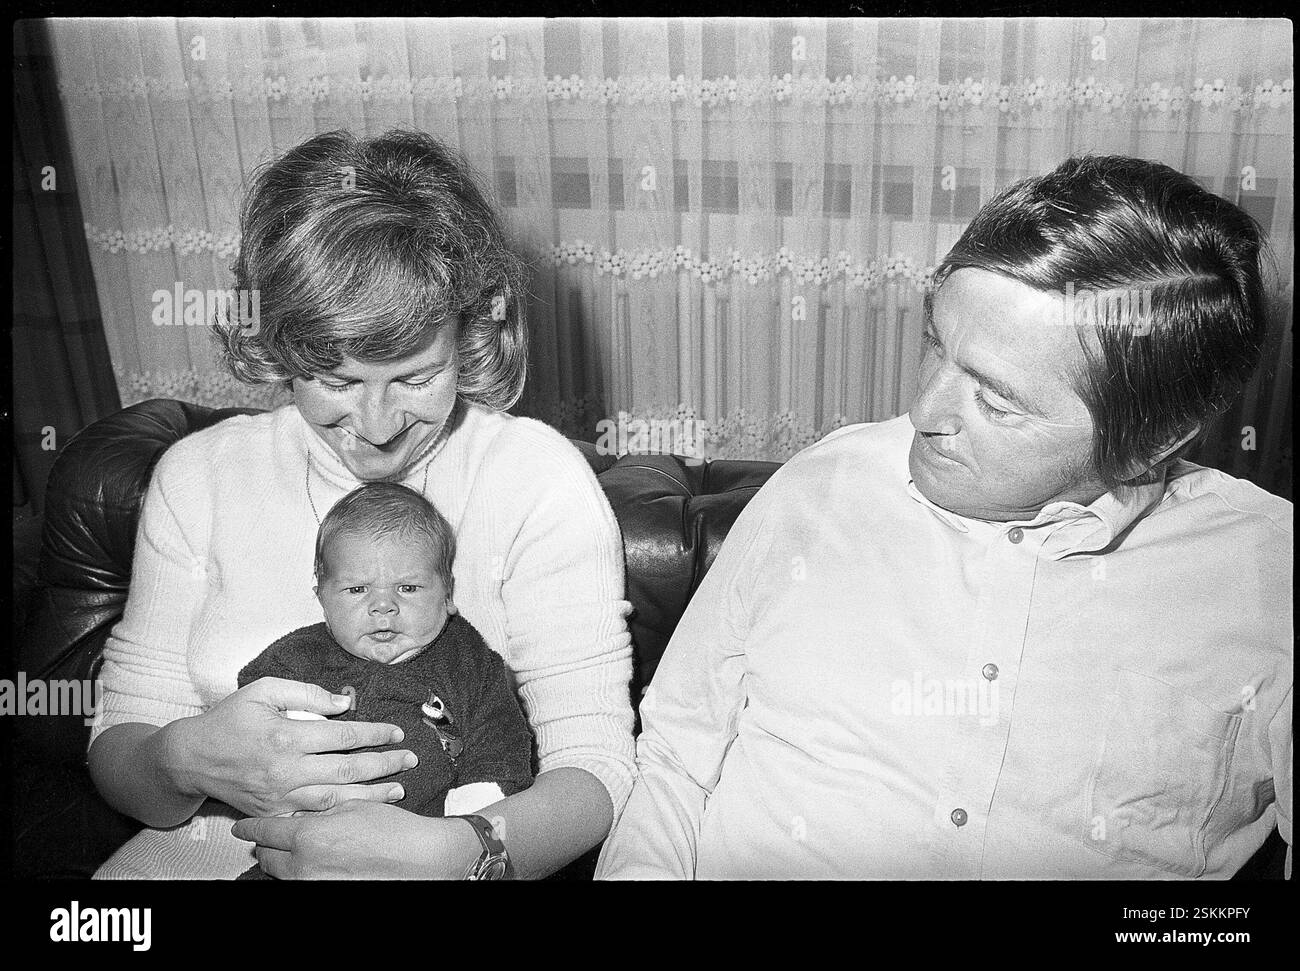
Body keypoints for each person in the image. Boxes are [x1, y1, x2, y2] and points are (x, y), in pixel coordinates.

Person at [596, 155, 1292, 880]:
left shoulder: (1269, 580)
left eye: (995, 400)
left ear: (1150, 440)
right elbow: (674, 758)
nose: (924, 412)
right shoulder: (822, 487)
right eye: (936, 343)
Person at [89, 128, 635, 880]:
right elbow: (123, 743)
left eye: (415, 376)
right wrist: (180, 757)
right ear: (277, 346)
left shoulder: (539, 481)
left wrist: (463, 852)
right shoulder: (197, 476)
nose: (376, 429)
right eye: (336, 380)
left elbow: (597, 768)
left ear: (472, 333)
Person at [235, 481, 534, 879]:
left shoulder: (470, 662)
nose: (382, 606)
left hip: (424, 848)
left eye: (407, 588)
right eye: (357, 589)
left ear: (448, 595)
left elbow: (500, 739)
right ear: (321, 595)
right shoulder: (301, 655)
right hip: (304, 847)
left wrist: (475, 806)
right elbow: (252, 702)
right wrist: (296, 727)